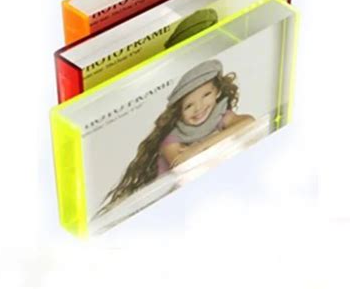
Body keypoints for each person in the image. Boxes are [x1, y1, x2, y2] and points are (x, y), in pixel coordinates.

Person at [94, 59, 254, 217]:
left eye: (206, 95)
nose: (199, 108)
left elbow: (249, 122)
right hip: (172, 205)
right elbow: (186, 166)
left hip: (209, 193)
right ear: (179, 111)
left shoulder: (219, 115)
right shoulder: (171, 140)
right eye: (189, 105)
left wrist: (198, 147)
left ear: (217, 92)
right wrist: (224, 137)